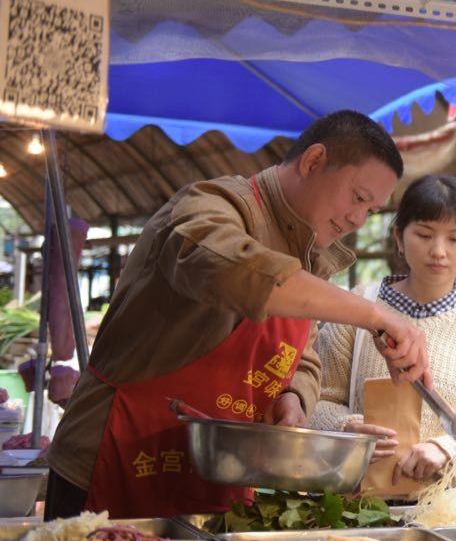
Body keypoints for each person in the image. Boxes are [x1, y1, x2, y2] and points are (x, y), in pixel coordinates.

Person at [44, 111, 429, 520]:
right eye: (357, 197)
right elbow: (230, 269)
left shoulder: (311, 258)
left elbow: (304, 357)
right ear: (313, 161)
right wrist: (373, 314)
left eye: (370, 211)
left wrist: (292, 397)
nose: (357, 219)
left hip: (218, 476)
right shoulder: (212, 206)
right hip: (114, 456)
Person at [312, 176, 456, 490]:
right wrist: (348, 428)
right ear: (399, 237)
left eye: (455, 238)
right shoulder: (355, 310)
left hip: (453, 512)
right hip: (356, 508)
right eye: (424, 235)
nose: (438, 251)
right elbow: (315, 400)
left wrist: (449, 450)